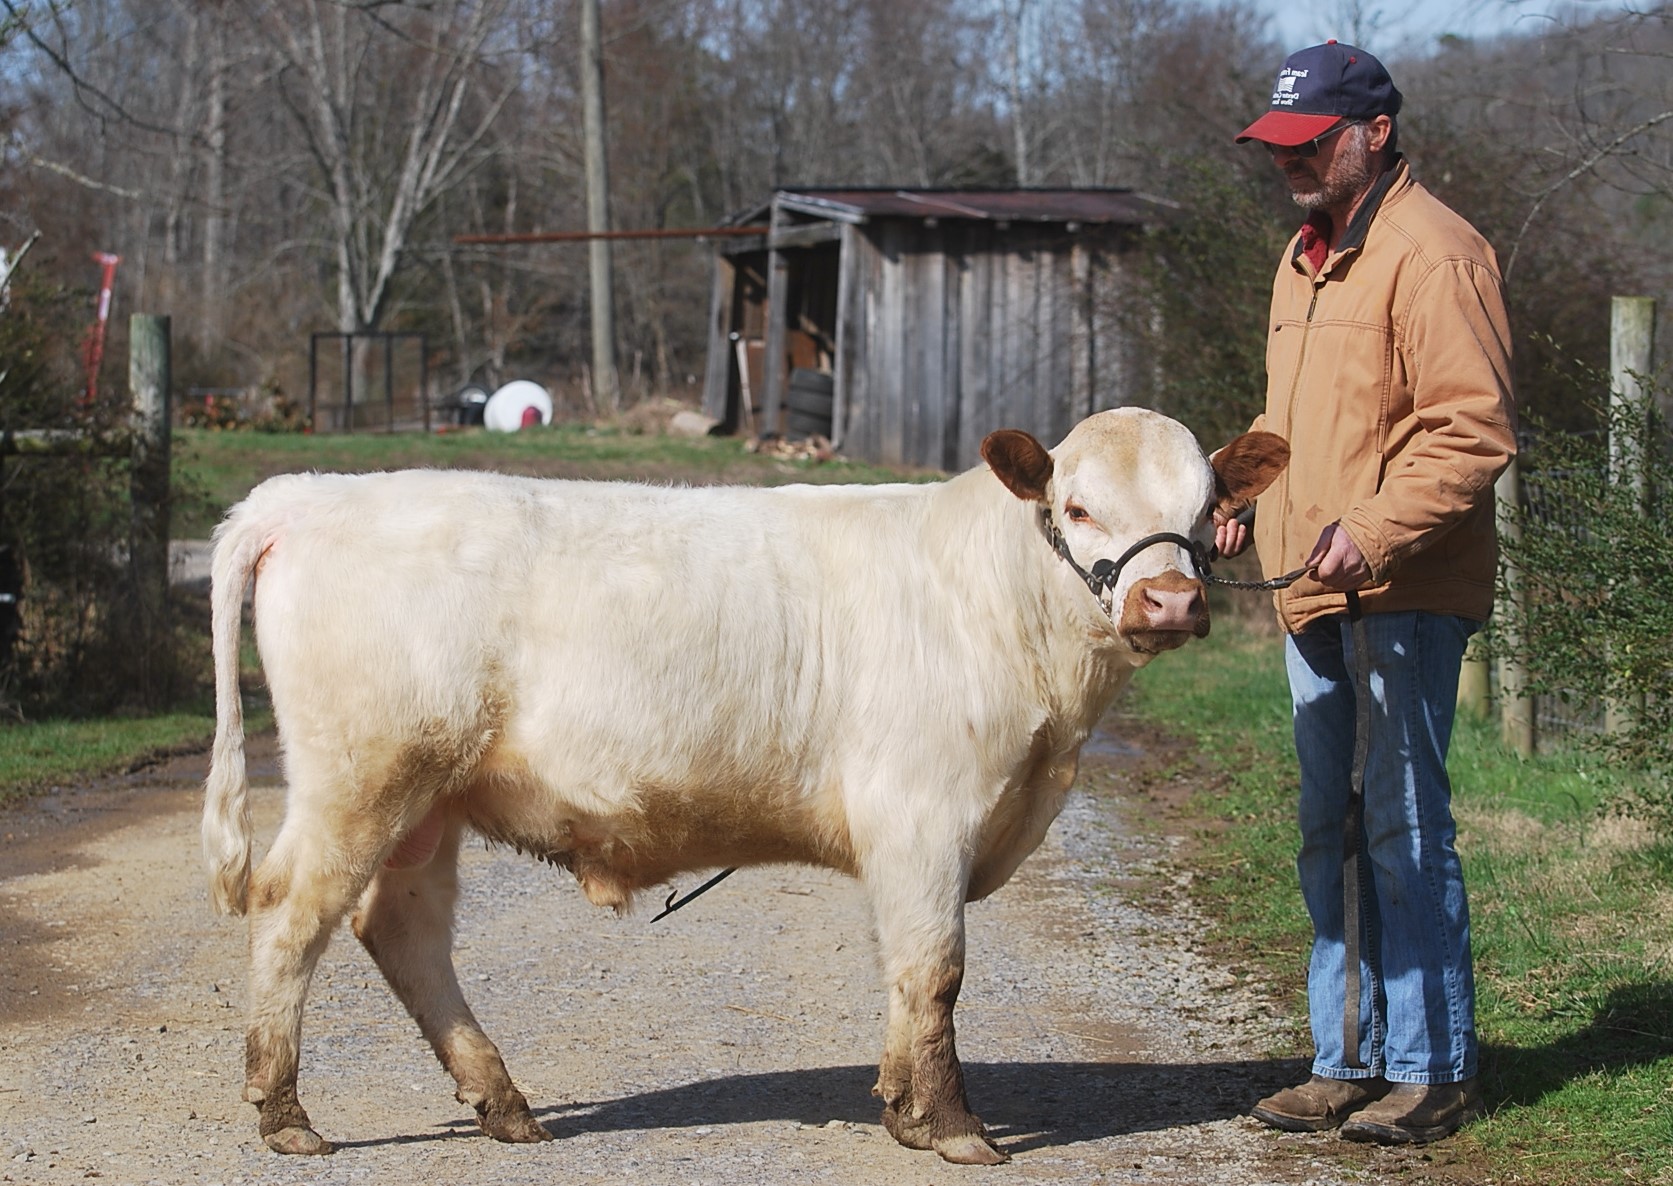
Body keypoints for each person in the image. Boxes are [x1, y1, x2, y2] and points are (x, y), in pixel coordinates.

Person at [1215, 41, 1516, 1145]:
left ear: (1373, 133)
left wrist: (1369, 530)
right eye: (1276, 144)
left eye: (1307, 143)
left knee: (1399, 824)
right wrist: (1232, 491)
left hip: (1401, 584)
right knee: (1325, 831)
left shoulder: (1435, 253)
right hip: (1307, 592)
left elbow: (1469, 429)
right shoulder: (1299, 260)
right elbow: (1289, 426)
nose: (1286, 160)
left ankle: (1431, 1068)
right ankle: (1344, 1058)